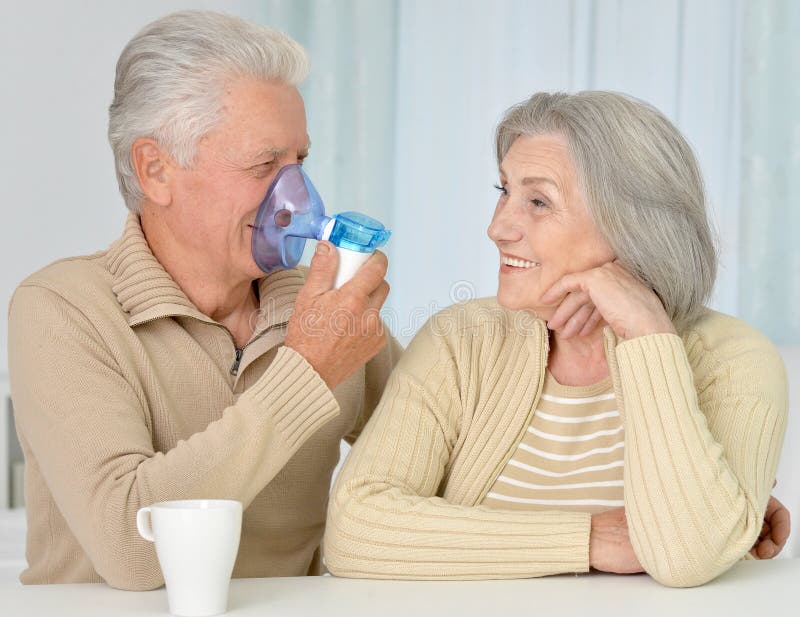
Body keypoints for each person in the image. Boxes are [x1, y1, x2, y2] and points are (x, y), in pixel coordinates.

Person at [325, 91, 790, 587]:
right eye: (503, 190)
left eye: (539, 201)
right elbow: (355, 533)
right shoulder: (461, 340)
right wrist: (590, 539)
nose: (497, 227)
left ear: (634, 227)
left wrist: (648, 335)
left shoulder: (733, 359)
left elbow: (687, 557)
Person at [7, 11, 400, 589]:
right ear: (156, 169)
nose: (298, 199)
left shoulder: (318, 306)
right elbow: (134, 549)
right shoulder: (62, 310)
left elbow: (454, 460)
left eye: (300, 163)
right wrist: (308, 372)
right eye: (265, 165)